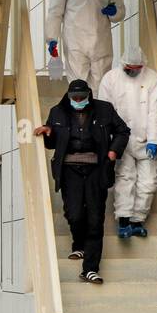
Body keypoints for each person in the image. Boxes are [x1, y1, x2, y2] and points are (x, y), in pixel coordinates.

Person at [34, 79, 130, 284]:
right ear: (68, 97)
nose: (77, 101)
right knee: (75, 213)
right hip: (69, 169)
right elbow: (51, 145)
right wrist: (48, 133)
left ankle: (90, 268)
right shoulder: (57, 112)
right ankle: (78, 243)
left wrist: (113, 152)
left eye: (81, 97)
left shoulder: (104, 109)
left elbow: (123, 131)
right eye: (74, 98)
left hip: (97, 169)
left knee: (95, 218)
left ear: (89, 95)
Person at [97, 45, 157, 239]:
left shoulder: (152, 78)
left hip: (146, 139)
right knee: (125, 179)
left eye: (136, 69)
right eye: (129, 69)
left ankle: (138, 220)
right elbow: (104, 110)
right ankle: (124, 221)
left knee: (149, 182)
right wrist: (108, 140)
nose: (132, 72)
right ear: (123, 64)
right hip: (120, 140)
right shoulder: (111, 79)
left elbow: (155, 111)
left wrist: (153, 139)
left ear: (142, 66)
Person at [43, 0, 124, 87]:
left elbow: (120, 10)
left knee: (102, 83)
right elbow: (55, 12)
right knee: (78, 83)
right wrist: (52, 39)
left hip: (101, 41)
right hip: (76, 41)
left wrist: (114, 12)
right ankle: (79, 109)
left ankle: (99, 109)